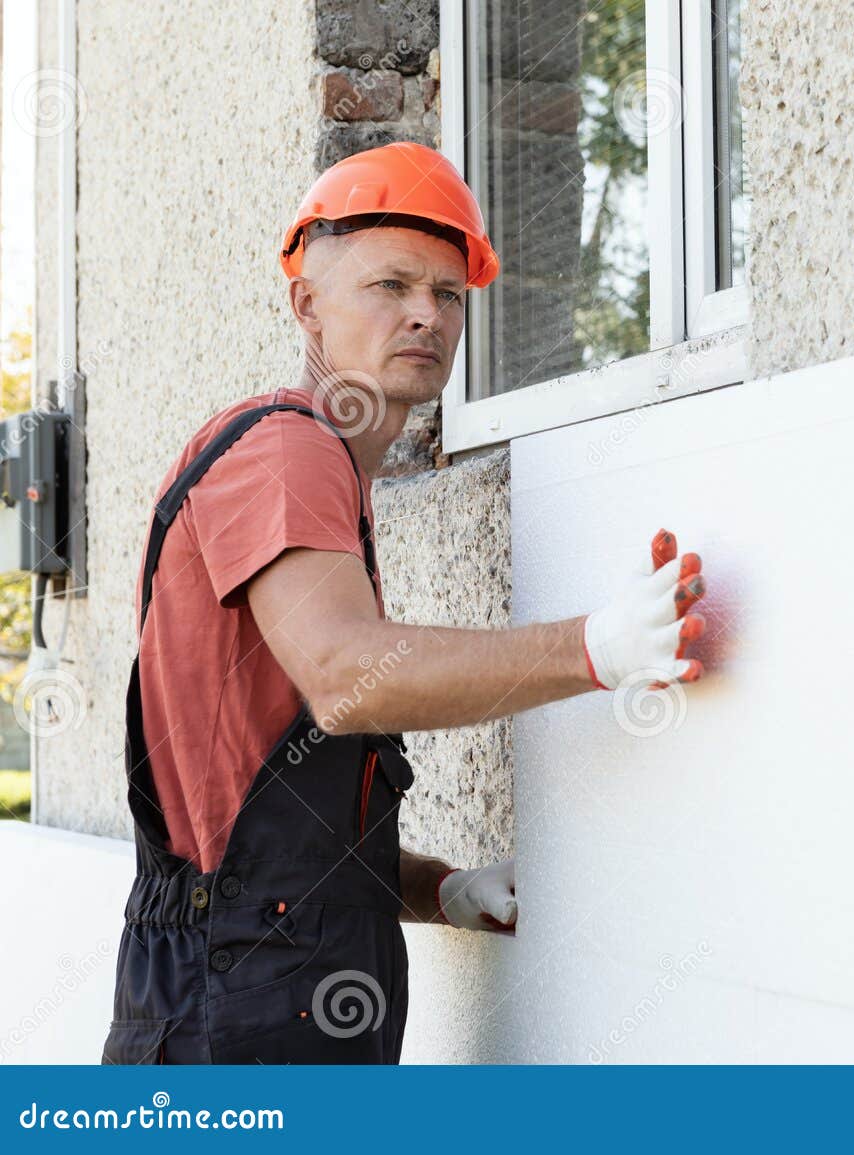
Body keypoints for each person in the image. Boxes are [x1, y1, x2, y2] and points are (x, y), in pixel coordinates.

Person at [100, 142, 707, 1065]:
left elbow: (255, 852)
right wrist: (600, 646)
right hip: (240, 1026)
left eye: (449, 294)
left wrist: (438, 888)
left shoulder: (311, 477)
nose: (428, 313)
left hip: (231, 1002)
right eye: (391, 285)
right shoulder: (289, 449)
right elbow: (348, 676)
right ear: (307, 303)